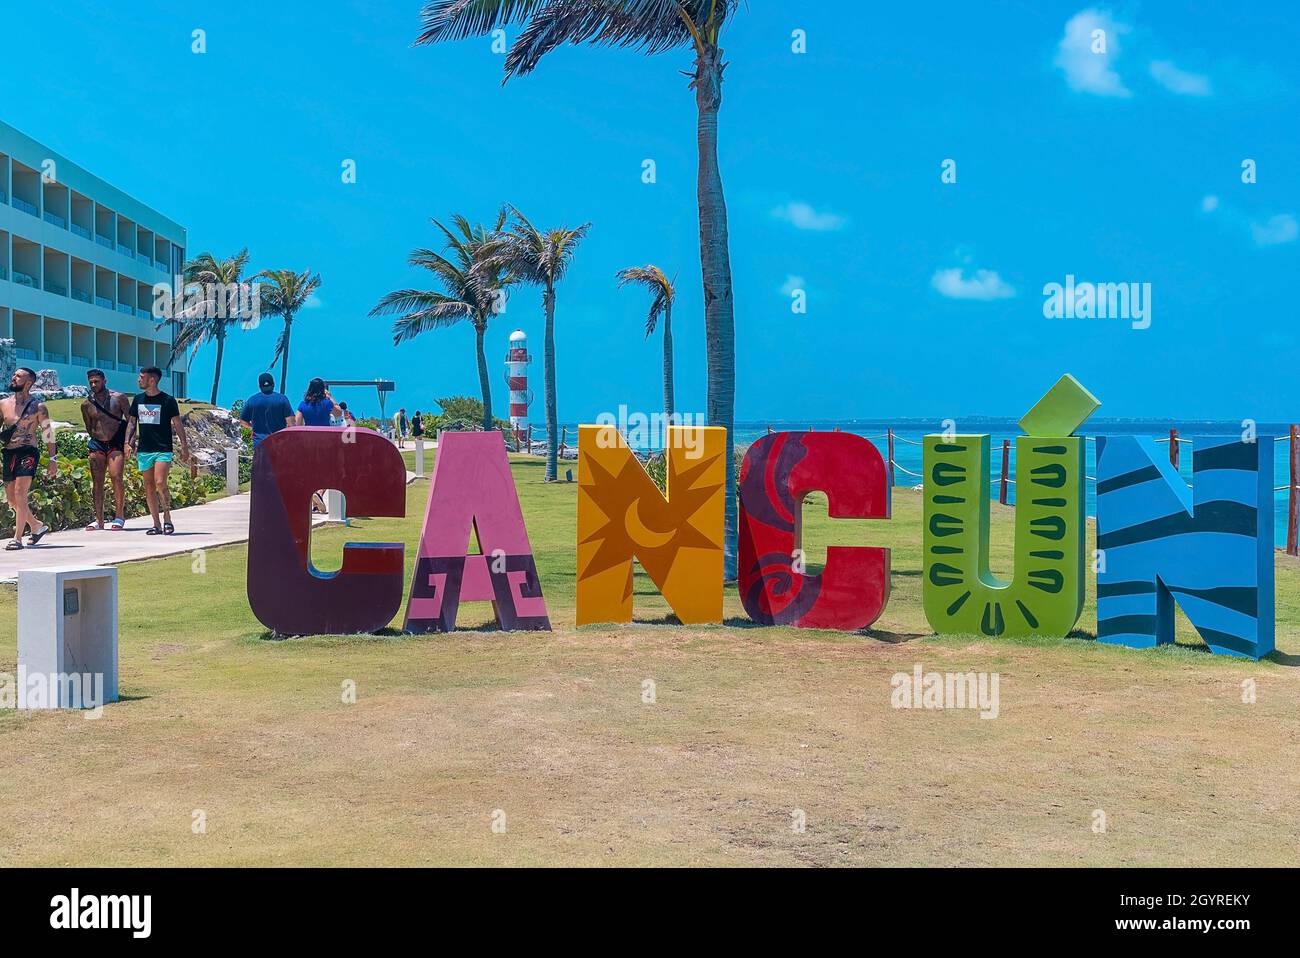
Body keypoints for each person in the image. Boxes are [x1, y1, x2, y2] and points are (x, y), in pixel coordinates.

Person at [125, 366, 190, 536]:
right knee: (148, 486)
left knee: (160, 482)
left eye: (141, 377)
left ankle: (167, 518)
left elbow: (177, 423)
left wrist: (184, 446)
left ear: (152, 380)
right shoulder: (138, 400)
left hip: (163, 448)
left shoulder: (168, 400)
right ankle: (156, 524)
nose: (138, 380)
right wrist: (127, 443)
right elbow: (132, 423)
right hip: (144, 449)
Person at [0, 367, 56, 550]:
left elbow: (47, 433)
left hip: (28, 451)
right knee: (11, 500)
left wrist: (52, 459)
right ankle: (36, 526)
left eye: (18, 376)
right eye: (14, 375)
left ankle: (17, 538)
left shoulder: (38, 406)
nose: (13, 378)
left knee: (19, 493)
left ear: (29, 382)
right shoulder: (3, 404)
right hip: (9, 452)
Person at [80, 368, 131, 531]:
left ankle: (119, 515)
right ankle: (99, 519)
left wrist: (129, 442)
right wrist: (97, 437)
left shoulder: (119, 398)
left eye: (97, 381)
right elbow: (89, 426)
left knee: (116, 477)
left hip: (116, 440)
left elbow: (131, 421)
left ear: (104, 381)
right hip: (97, 442)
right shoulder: (86, 404)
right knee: (97, 482)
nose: (94, 385)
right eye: (91, 382)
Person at [239, 372, 294, 450]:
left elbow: (242, 422)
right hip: (279, 443)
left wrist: (253, 428)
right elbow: (291, 424)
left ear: (260, 386)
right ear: (273, 384)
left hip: (259, 444)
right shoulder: (282, 399)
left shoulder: (252, 400)